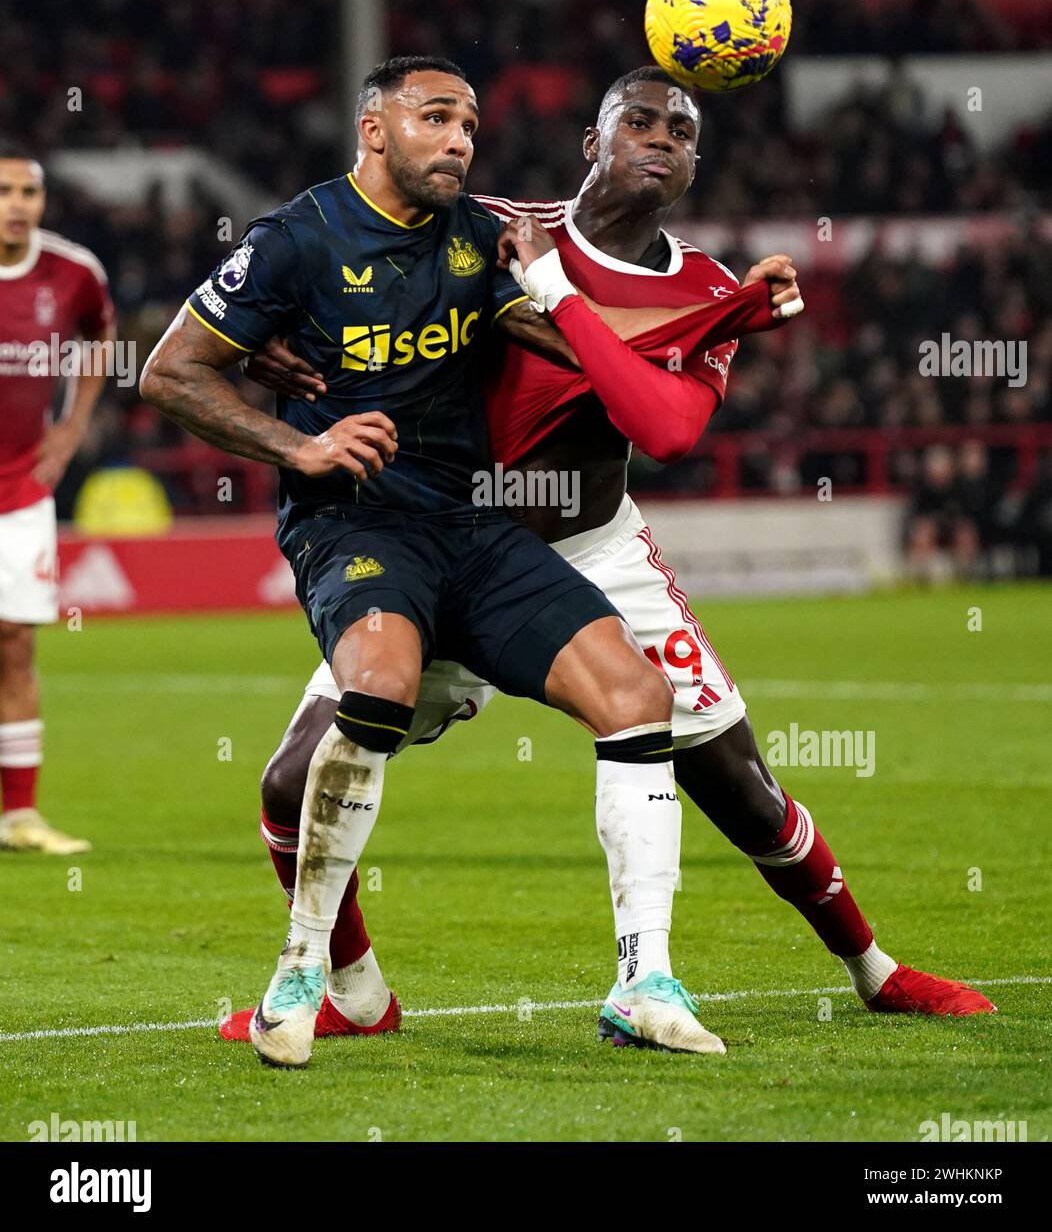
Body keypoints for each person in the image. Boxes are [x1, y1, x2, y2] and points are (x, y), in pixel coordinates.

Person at [223, 66, 993, 1051]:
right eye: (636, 119)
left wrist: (570, 293)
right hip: (445, 545)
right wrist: (268, 345)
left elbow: (663, 429)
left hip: (597, 551)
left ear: (692, 168)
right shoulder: (492, 224)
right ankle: (353, 990)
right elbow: (331, 269)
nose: (659, 136)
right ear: (588, 142)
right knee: (293, 780)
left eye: (681, 129)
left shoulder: (707, 289)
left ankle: (868, 968)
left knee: (739, 785)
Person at [139, 56, 780, 1066]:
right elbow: (169, 369)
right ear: (373, 128)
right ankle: (302, 970)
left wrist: (729, 311)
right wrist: (297, 446)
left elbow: (583, 345)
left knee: (635, 694)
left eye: (470, 124)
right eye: (434, 117)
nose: (459, 139)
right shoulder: (295, 238)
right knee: (380, 686)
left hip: (468, 524)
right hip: (354, 525)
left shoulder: (481, 238)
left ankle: (644, 980)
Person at [0, 147, 115, 855]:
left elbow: (102, 338)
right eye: (5, 190)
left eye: (28, 192)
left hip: (21, 487)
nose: (17, 203)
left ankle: (19, 816)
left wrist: (73, 428)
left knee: (15, 642)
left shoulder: (73, 273)